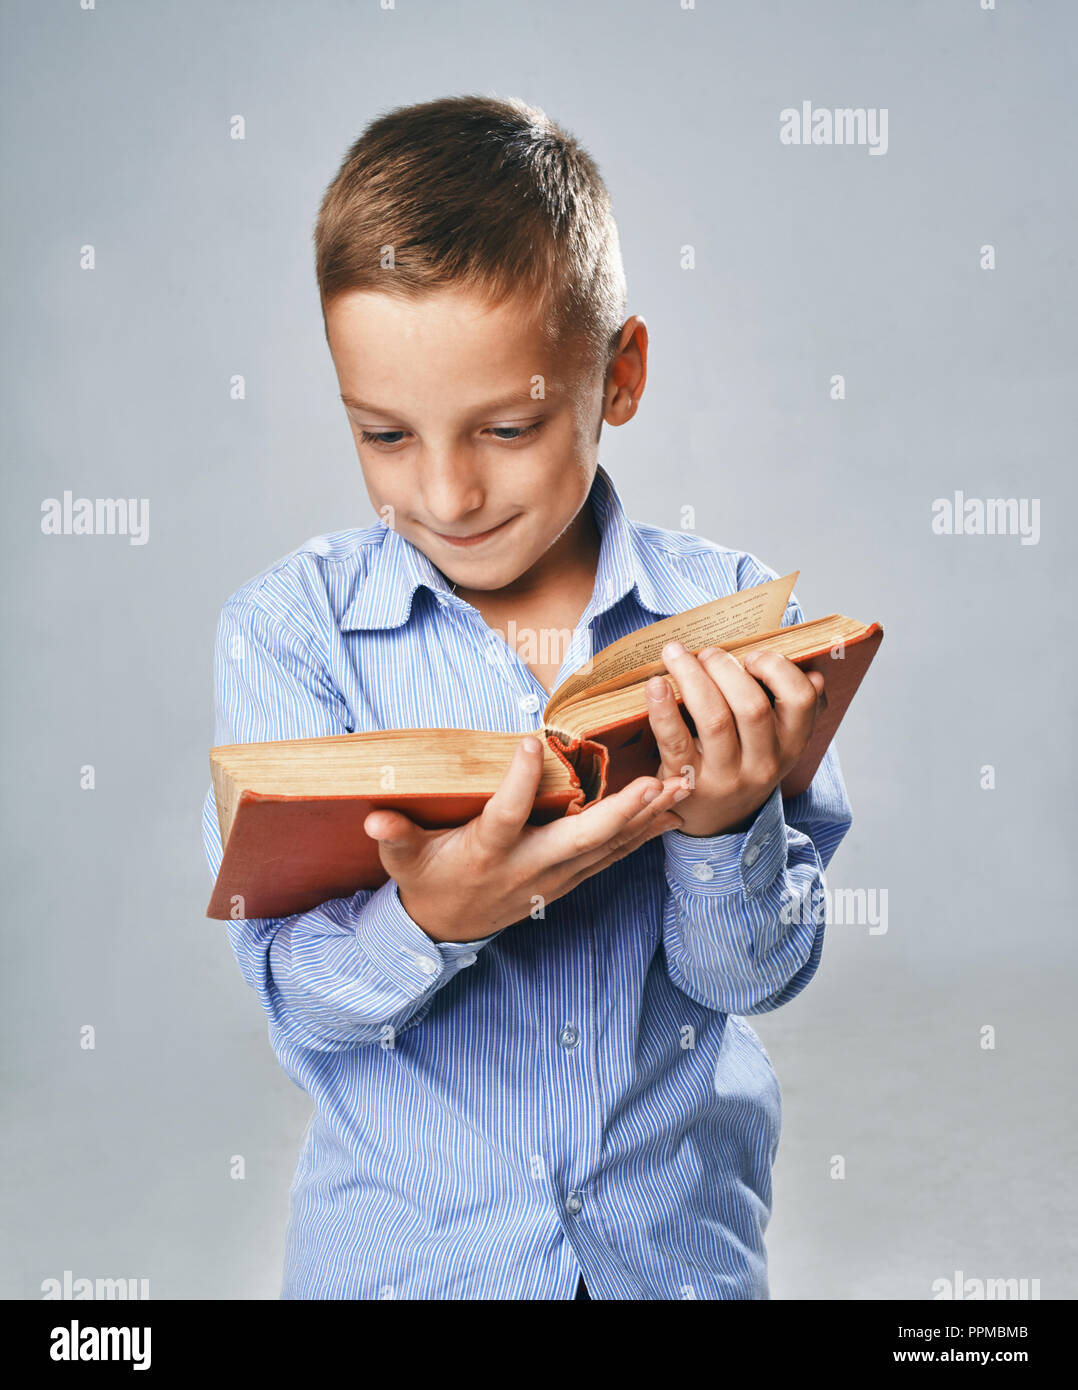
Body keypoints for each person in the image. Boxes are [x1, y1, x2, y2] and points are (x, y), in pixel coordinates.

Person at [201, 94, 852, 1300]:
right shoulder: (293, 634)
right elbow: (297, 997)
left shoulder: (733, 619)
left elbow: (754, 980)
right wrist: (430, 919)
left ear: (620, 374)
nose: (446, 494)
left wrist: (721, 828)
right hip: (407, 1273)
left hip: (671, 1263)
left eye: (506, 427)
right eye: (385, 436)